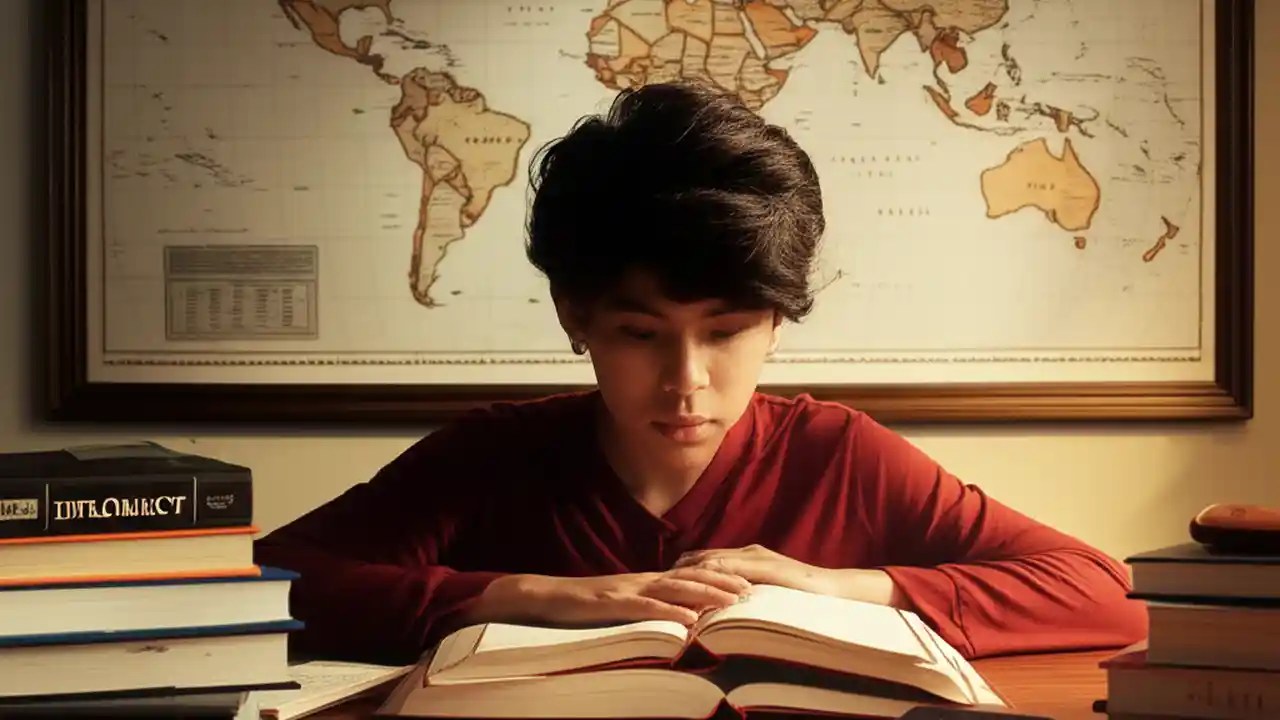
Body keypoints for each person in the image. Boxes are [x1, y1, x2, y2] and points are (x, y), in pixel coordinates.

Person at [253, 81, 1147, 666]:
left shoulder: (839, 455)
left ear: (776, 323)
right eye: (642, 334)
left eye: (726, 332)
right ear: (576, 315)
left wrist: (840, 586)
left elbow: (1108, 594)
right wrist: (517, 595)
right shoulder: (490, 457)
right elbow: (261, 580)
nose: (687, 381)